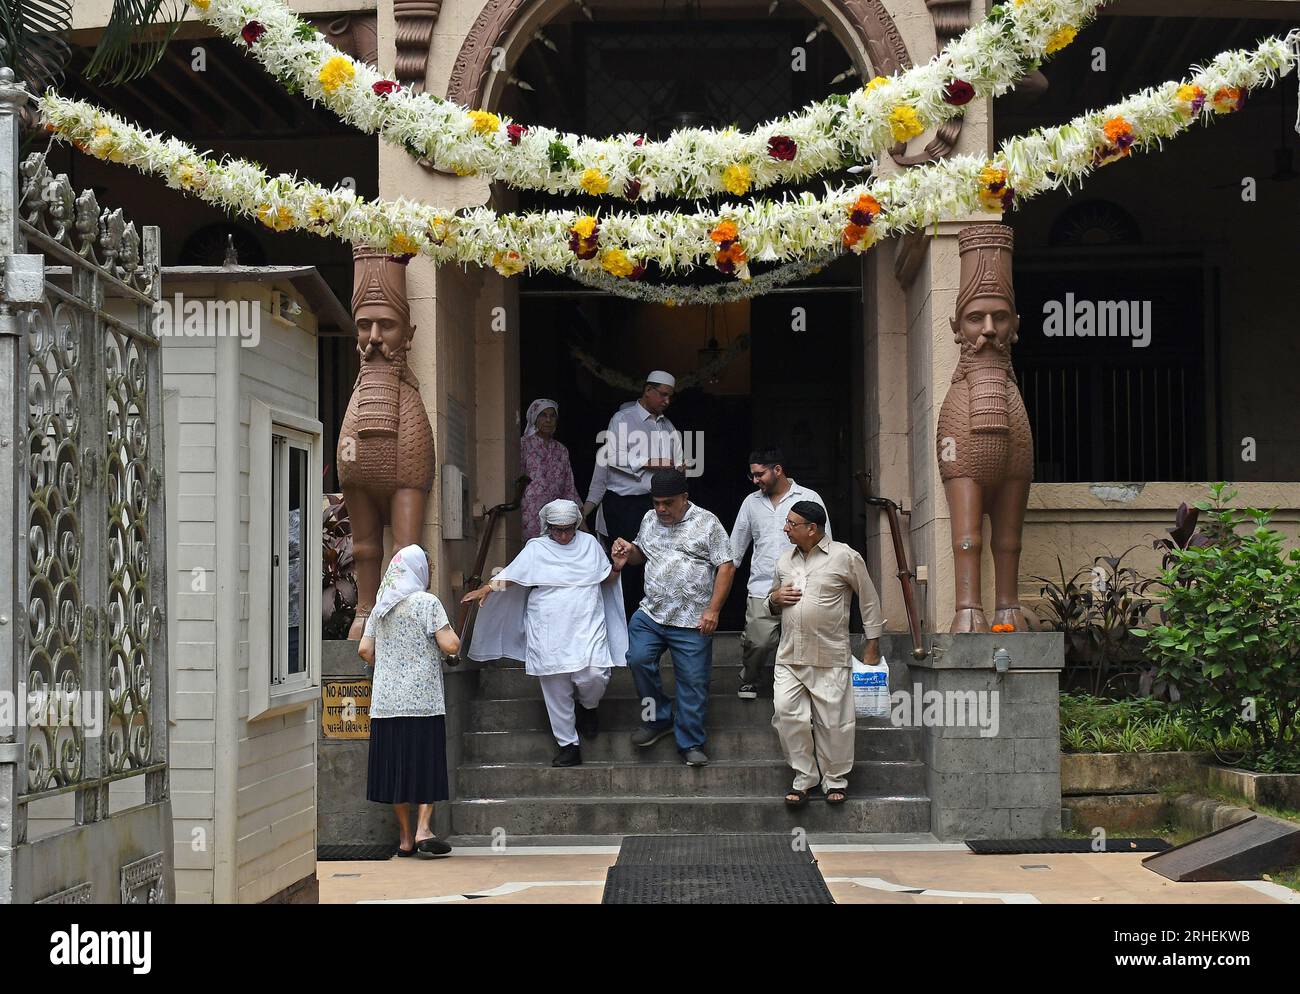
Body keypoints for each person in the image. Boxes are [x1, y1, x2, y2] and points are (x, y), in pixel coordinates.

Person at [462, 499, 628, 767]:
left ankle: (588, 707)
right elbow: (513, 575)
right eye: (556, 530)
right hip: (548, 625)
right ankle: (568, 744)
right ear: (547, 527)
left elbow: (605, 578)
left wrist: (617, 566)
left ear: (575, 525)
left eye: (568, 529)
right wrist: (487, 589)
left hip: (587, 620)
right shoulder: (536, 548)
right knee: (555, 685)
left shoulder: (589, 545)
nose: (563, 535)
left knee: (596, 674)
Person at [612, 470, 735, 767]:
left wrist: (714, 610)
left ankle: (690, 741)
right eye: (656, 503)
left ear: (684, 498)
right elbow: (644, 554)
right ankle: (656, 719)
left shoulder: (707, 522)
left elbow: (726, 566)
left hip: (693, 619)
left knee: (693, 681)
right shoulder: (649, 519)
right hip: (652, 613)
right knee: (638, 660)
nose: (661, 509)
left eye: (668, 503)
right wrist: (629, 552)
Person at [767, 501, 885, 808]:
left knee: (835, 723)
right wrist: (775, 598)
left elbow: (869, 600)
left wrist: (873, 643)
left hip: (830, 654)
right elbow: (772, 602)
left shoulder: (845, 556)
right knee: (785, 713)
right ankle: (804, 778)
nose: (786, 528)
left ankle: (834, 780)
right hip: (789, 655)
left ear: (812, 528)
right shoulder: (783, 561)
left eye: (792, 524)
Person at [358, 545, 459, 857]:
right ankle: (423, 829)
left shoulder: (380, 607)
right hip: (424, 702)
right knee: (425, 765)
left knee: (395, 769)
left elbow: (364, 650)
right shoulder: (427, 603)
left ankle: (404, 838)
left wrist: (390, 664)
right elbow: (450, 644)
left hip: (386, 705)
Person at [729, 448, 830, 701]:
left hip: (802, 587)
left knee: (801, 643)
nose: (755, 480)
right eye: (752, 475)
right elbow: (735, 549)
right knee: (759, 642)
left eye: (759, 474)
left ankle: (797, 688)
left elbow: (826, 543)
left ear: (777, 470)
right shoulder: (750, 502)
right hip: (762, 587)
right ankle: (750, 678)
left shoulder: (809, 497)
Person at [598, 373, 682, 616]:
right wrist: (651, 463)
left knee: (659, 560)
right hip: (625, 505)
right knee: (627, 564)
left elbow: (676, 461)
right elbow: (612, 457)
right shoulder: (623, 419)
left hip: (658, 504)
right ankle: (622, 627)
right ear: (648, 390)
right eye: (663, 394)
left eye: (670, 396)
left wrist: (678, 467)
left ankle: (652, 621)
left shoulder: (667, 426)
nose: (667, 400)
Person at [520, 398, 583, 541]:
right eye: (543, 415)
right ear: (535, 418)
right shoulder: (524, 445)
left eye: (552, 415)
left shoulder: (561, 450)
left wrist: (581, 521)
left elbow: (569, 487)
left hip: (557, 515)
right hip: (530, 512)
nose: (548, 420)